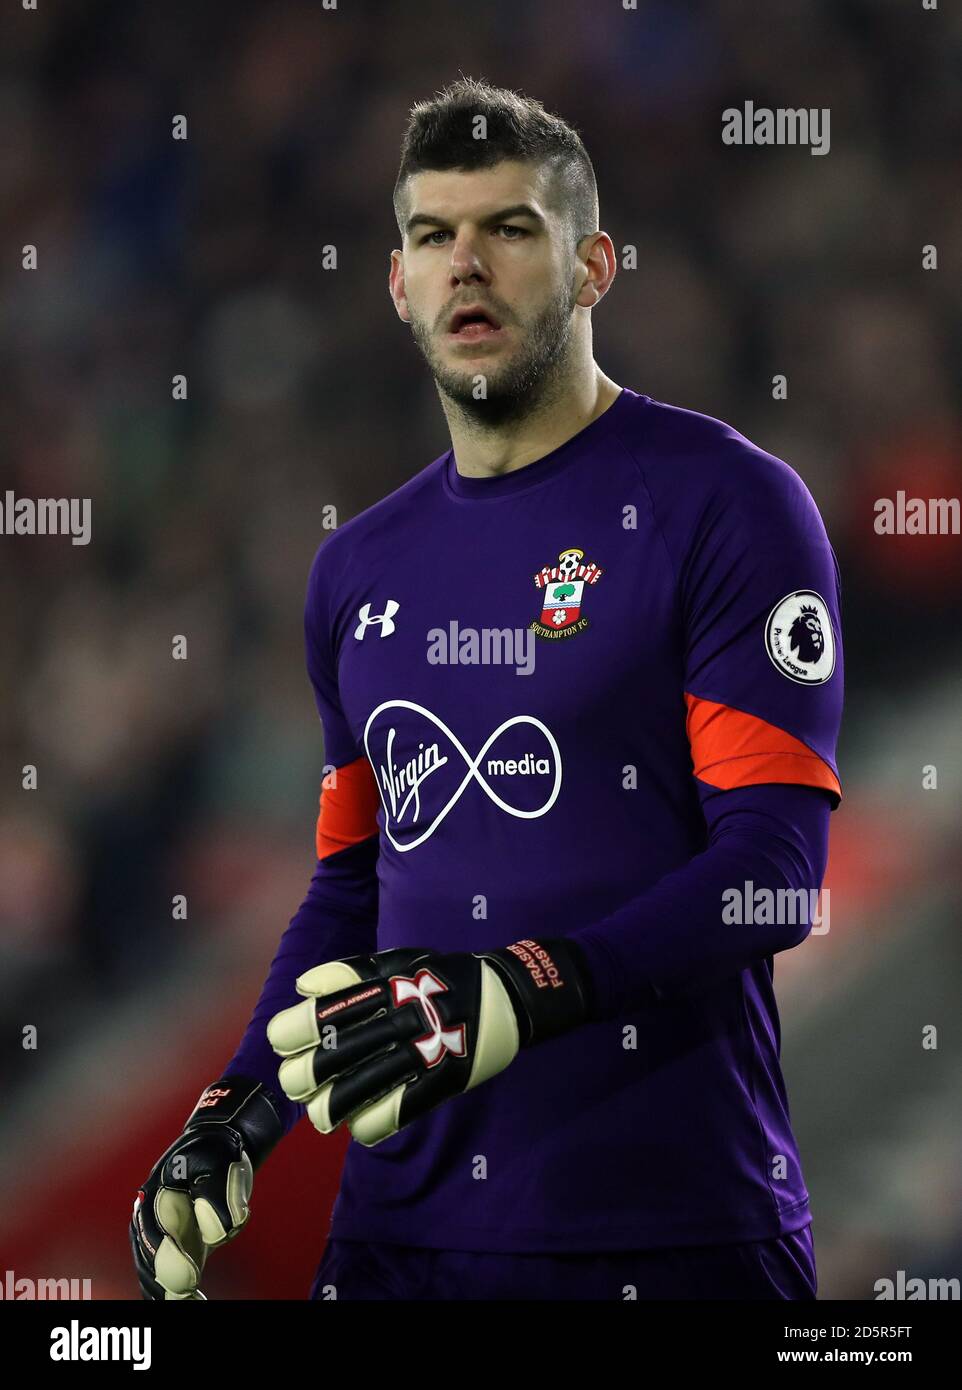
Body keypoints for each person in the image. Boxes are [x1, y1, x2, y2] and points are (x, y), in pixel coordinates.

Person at [131, 77, 842, 1302]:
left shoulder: (725, 504)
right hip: (396, 1247)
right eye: (430, 236)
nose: (466, 265)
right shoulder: (355, 571)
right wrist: (235, 1113)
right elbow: (352, 888)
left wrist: (519, 984)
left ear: (591, 267)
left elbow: (771, 878)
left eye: (510, 230)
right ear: (396, 284)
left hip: (672, 1234)